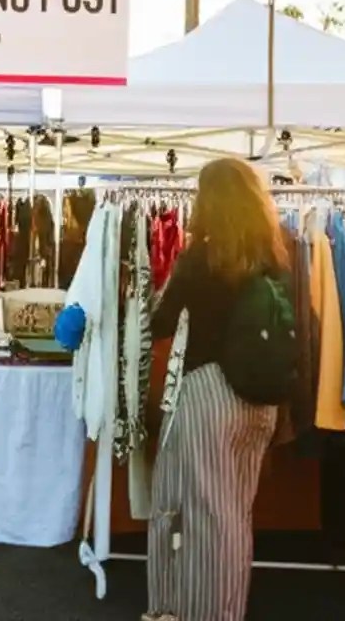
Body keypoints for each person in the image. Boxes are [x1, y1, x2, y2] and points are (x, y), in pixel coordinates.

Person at [143, 158, 288, 621]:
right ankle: (228, 611)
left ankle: (190, 613)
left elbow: (161, 322)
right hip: (260, 402)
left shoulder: (200, 259)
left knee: (205, 519)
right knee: (235, 516)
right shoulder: (272, 258)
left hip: (209, 393)